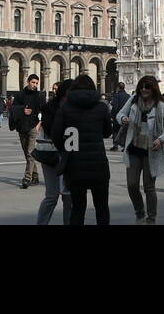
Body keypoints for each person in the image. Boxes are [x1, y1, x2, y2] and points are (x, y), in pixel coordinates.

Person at [49, 74, 112, 225]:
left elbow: (55, 135)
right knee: (102, 207)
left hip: (74, 165)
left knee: (77, 208)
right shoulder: (102, 107)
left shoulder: (65, 108)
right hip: (98, 165)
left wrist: (66, 148)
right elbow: (107, 132)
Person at [114, 75, 164, 224]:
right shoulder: (134, 101)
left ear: (153, 89)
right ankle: (139, 211)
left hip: (151, 152)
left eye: (147, 87)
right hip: (134, 149)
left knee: (149, 187)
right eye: (141, 87)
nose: (143, 90)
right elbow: (119, 114)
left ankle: (151, 218)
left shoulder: (162, 107)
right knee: (132, 185)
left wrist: (161, 140)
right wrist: (123, 119)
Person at [35, 79, 73, 226]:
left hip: (68, 155)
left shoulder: (76, 108)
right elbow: (51, 130)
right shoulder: (49, 107)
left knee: (68, 196)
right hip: (51, 155)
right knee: (51, 196)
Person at [12, 74, 44, 189]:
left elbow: (42, 111)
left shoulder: (39, 96)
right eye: (33, 82)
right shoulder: (20, 95)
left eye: (36, 83)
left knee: (30, 153)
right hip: (22, 127)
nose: (35, 85)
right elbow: (13, 108)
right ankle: (35, 175)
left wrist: (38, 125)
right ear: (28, 82)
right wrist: (22, 110)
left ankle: (27, 178)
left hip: (33, 127)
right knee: (27, 153)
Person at [109, 82, 130, 151]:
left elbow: (114, 106)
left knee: (115, 130)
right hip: (126, 116)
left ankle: (115, 145)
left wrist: (112, 115)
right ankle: (124, 146)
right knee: (124, 131)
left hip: (118, 115)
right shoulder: (128, 96)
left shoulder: (116, 96)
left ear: (118, 88)